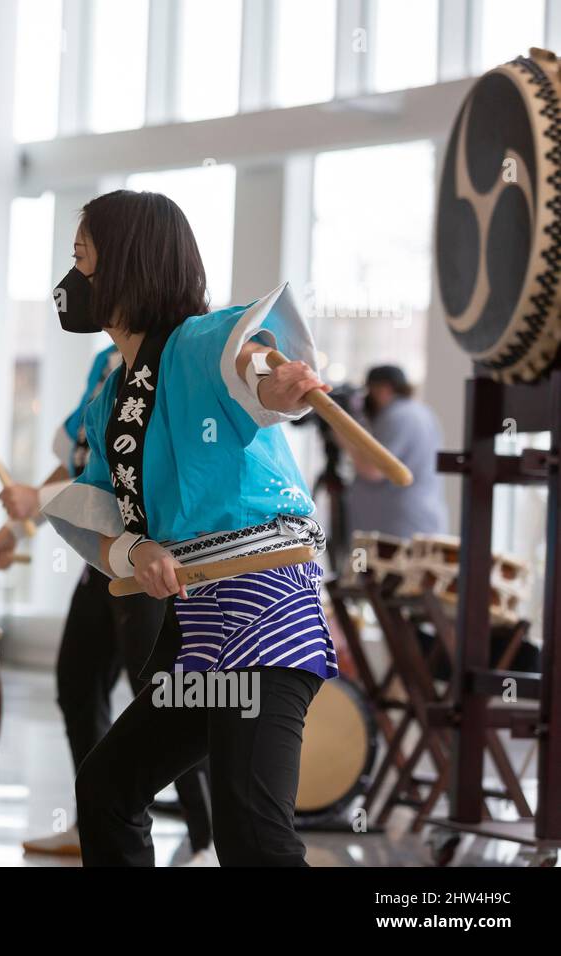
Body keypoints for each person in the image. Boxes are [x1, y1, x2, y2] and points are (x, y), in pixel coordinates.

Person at [41, 189, 337, 867]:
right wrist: (133, 548)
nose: (73, 277)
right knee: (110, 786)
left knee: (253, 838)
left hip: (265, 613)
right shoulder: (113, 395)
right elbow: (96, 507)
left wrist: (278, 386)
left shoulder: (202, 342)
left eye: (83, 258)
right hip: (198, 626)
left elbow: (250, 363)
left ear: (125, 266)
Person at [0, 346, 214, 863]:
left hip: (157, 560)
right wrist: (15, 526)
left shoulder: (180, 356)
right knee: (77, 686)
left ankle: (206, 839)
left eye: (88, 266)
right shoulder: (107, 362)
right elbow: (84, 470)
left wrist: (34, 501)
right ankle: (95, 822)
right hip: (106, 560)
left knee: (165, 700)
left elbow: (154, 468)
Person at [345, 364, 447, 539]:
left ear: (383, 389)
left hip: (396, 528)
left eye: (370, 391)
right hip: (417, 519)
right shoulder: (422, 412)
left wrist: (343, 434)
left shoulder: (397, 416)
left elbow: (374, 470)